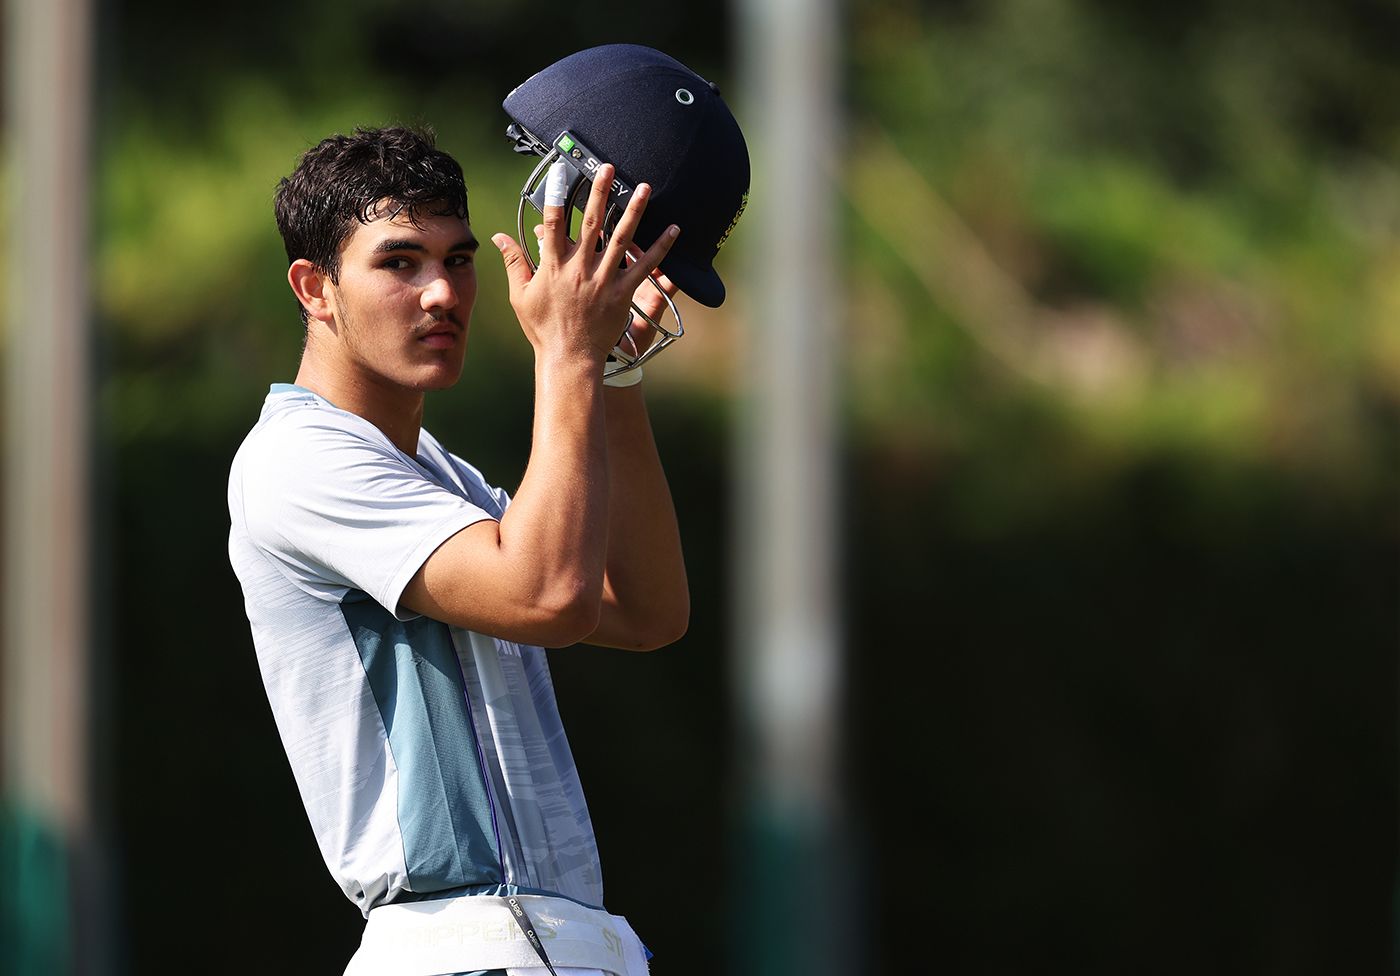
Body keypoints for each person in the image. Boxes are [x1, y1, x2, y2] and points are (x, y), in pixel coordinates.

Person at [226, 122, 688, 976]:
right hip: (457, 948)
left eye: (459, 259)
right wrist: (567, 356)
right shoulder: (297, 457)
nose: (441, 291)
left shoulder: (444, 477)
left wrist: (612, 374)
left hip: (551, 944)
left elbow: (644, 608)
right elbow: (545, 595)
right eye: (399, 262)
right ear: (314, 288)